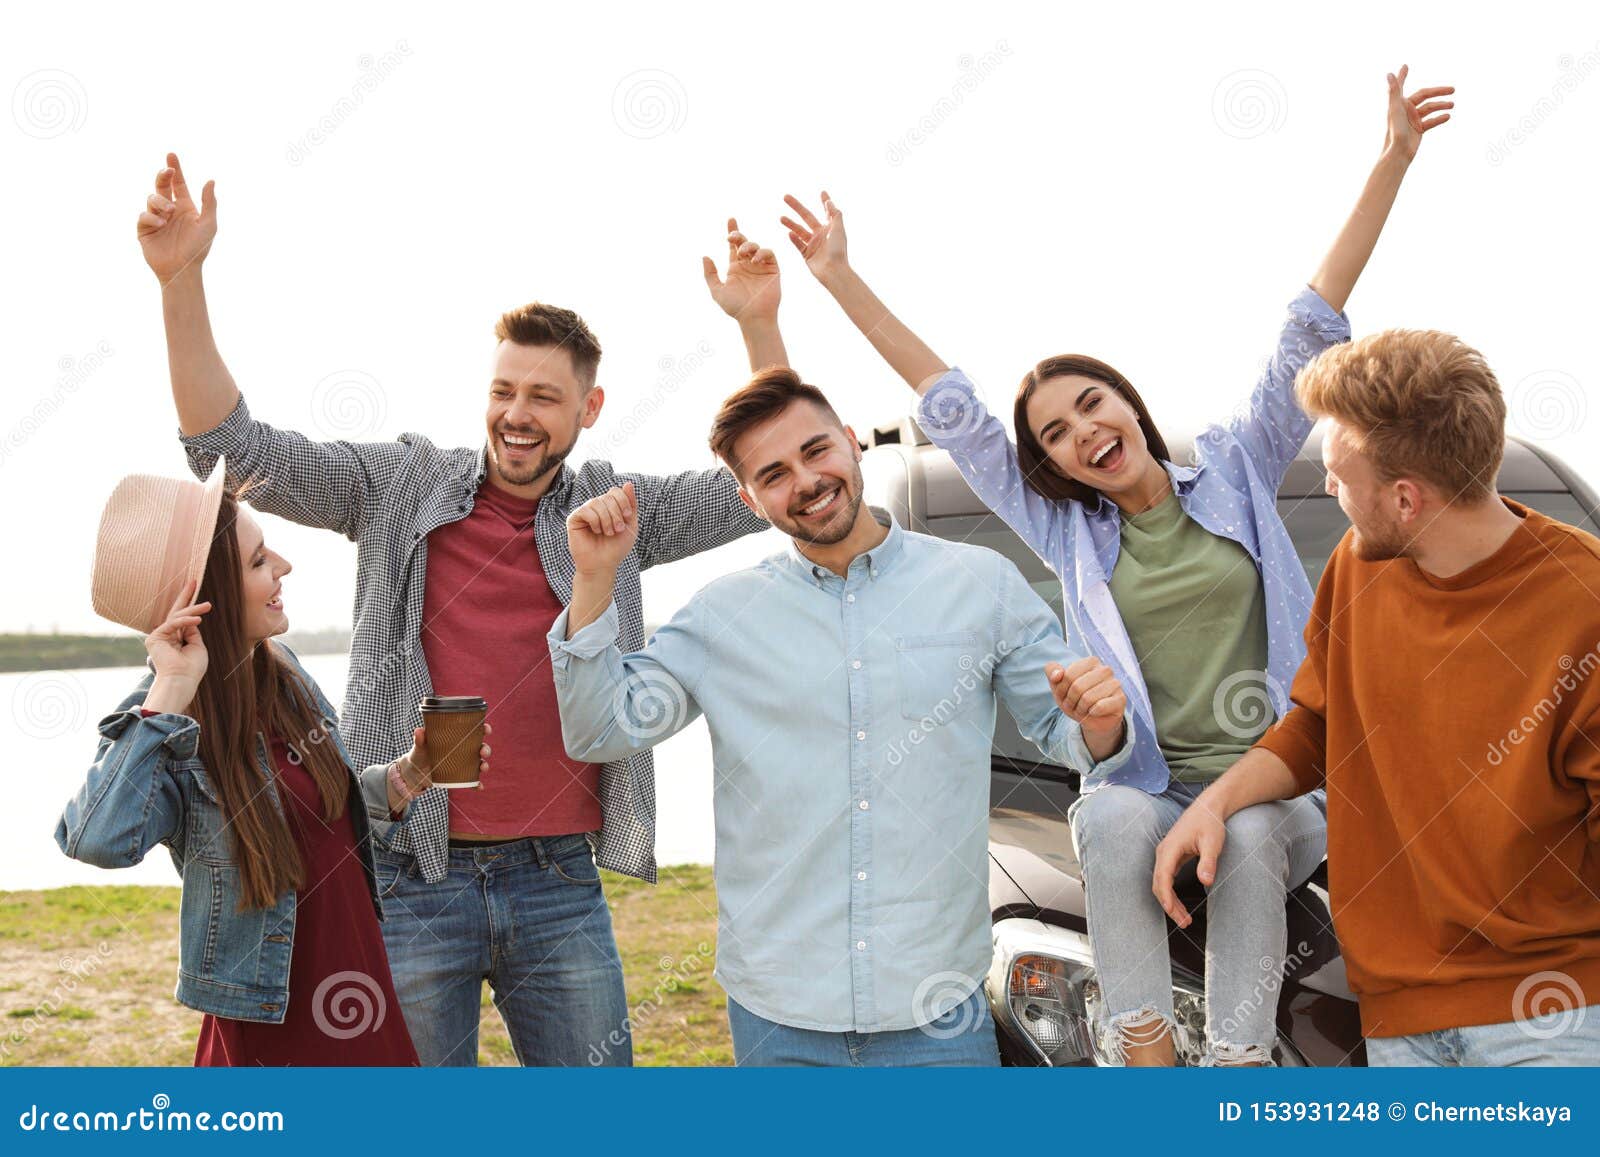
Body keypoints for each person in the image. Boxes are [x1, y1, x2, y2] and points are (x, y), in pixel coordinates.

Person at [772, 67, 1452, 1065]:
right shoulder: (1068, 535)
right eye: (1053, 431)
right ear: (1045, 462)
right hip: (1157, 783)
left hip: (1281, 787)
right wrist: (836, 277)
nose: (1082, 428)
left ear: (1126, 406)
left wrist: (1390, 159)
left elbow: (1308, 321)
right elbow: (947, 402)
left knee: (1256, 839)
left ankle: (1233, 1062)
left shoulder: (1234, 468)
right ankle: (1142, 1045)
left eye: (1093, 403)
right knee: (1109, 813)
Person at [135, 153, 780, 1065]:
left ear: (589, 407)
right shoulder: (398, 484)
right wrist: (181, 279)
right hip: (407, 873)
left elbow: (763, 480)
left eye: (544, 397)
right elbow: (229, 446)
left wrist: (760, 325)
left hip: (558, 876)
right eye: (503, 391)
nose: (517, 414)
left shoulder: (616, 506)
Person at [547, 366, 1133, 1065]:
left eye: (816, 450)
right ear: (750, 498)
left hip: (937, 1011)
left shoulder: (981, 585)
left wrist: (1098, 721)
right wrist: (594, 578)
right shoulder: (721, 616)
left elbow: (1067, 734)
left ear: (852, 443)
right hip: (778, 1014)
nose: (806, 480)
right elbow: (601, 728)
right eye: (774, 473)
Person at [1152, 328, 1600, 1066]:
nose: (1329, 487)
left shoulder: (1582, 602)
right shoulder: (1356, 569)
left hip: (1554, 1018)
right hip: (1396, 1018)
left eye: (1337, 473)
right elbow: (1319, 726)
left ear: (1405, 497)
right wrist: (1214, 803)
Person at [57, 466, 483, 1065]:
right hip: (270, 1023)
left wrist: (409, 774)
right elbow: (95, 839)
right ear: (212, 595)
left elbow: (320, 818)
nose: (283, 566)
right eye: (258, 561)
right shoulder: (167, 718)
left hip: (361, 993)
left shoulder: (284, 672)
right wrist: (171, 689)